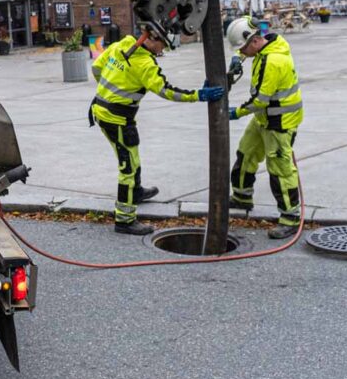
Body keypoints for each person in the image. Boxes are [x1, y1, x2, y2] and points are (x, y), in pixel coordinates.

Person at [90, 29, 225, 235]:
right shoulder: (145, 64)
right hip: (117, 119)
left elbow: (97, 67)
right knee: (129, 168)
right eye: (163, 45)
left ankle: (135, 192)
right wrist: (198, 95)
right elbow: (166, 90)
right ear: (153, 39)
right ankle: (124, 219)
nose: (163, 51)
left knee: (132, 157)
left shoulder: (122, 44)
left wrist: (109, 90)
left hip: (101, 109)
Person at [225, 16, 304, 239]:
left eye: (243, 49)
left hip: (279, 121)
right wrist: (237, 57)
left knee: (280, 169)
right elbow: (247, 47)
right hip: (264, 118)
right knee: (246, 152)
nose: (243, 52)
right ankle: (241, 197)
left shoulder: (273, 61)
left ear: (254, 42)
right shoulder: (264, 45)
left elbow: (260, 99)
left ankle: (290, 217)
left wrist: (235, 112)